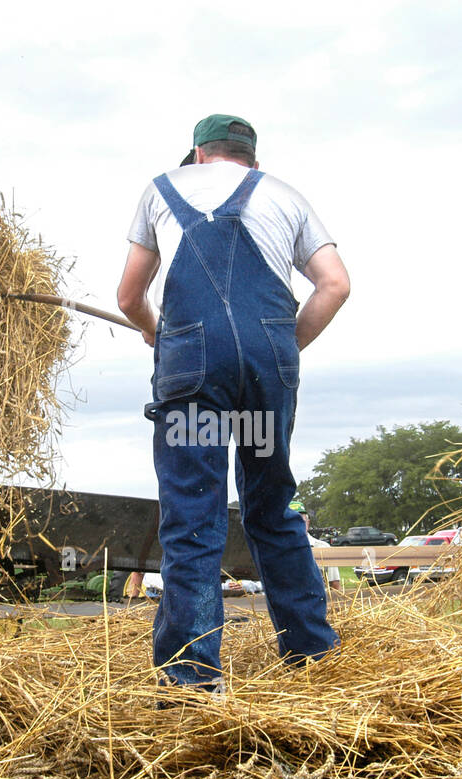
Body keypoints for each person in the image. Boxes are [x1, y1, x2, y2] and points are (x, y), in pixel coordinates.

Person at [117, 114, 351, 690]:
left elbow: (128, 296)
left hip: (193, 376)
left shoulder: (161, 188)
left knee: (194, 511)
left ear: (198, 153)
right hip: (263, 378)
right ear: (250, 156)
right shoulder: (286, 194)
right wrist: (281, 345)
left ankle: (192, 679)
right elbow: (336, 284)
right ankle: (312, 655)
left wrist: (158, 332)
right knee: (272, 505)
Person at [290, 501, 342, 593]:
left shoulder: (324, 548)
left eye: (301, 520)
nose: (297, 525)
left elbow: (335, 585)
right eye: (292, 521)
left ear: (308, 523)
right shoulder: (279, 550)